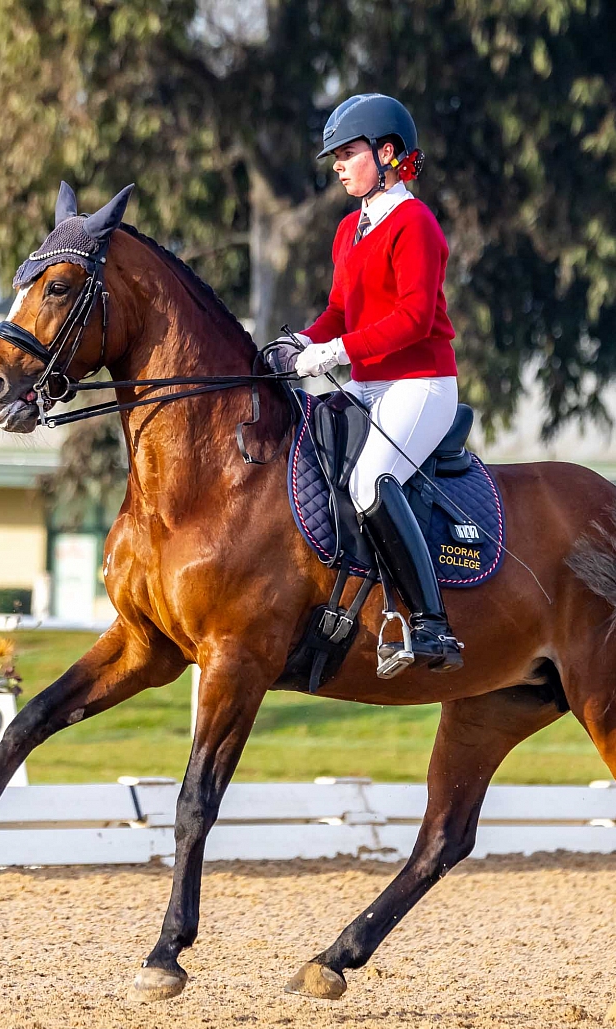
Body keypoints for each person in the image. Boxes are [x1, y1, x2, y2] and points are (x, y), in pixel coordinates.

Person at [273, 93, 464, 674]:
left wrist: (336, 351)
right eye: (336, 155)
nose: (337, 165)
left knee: (369, 483)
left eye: (348, 153)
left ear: (387, 155)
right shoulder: (347, 229)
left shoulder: (416, 223)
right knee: (311, 460)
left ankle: (432, 626)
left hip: (421, 382)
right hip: (370, 383)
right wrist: (304, 341)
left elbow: (411, 319)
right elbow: (338, 310)